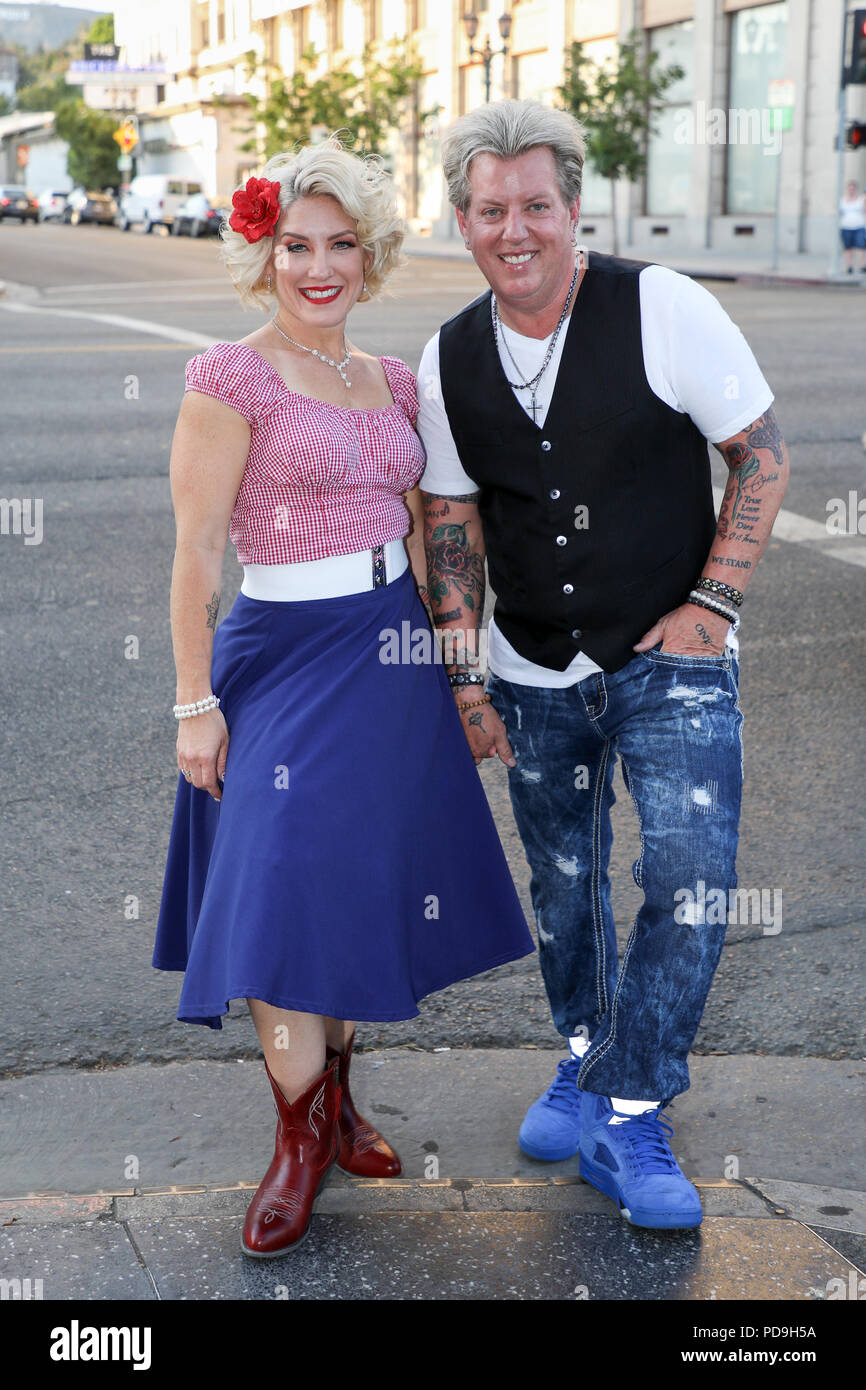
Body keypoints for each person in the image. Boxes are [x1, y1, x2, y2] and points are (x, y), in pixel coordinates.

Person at [152, 137, 534, 1258]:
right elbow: (191, 558)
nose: (318, 268)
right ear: (263, 258)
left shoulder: (395, 381)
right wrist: (192, 703)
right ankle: (295, 1139)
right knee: (275, 885)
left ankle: (340, 1104)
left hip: (390, 649)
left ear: (371, 256)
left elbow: (426, 541)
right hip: (279, 651)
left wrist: (462, 683)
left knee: (359, 885)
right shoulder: (229, 377)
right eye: (295, 247)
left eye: (340, 246)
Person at [416, 100, 790, 1230]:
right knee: (564, 889)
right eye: (490, 210)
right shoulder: (447, 356)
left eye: (536, 204)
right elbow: (447, 516)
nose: (513, 228)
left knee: (686, 879)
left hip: (668, 655)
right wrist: (464, 675)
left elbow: (758, 453)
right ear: (464, 220)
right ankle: (581, 1055)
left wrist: (711, 602)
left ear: (573, 207)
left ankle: (631, 1102)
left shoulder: (662, 304)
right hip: (530, 667)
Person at [838, 180, 866, 274]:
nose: (851, 190)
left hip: (859, 226)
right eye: (850, 188)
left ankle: (862, 266)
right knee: (848, 248)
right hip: (846, 227)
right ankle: (849, 267)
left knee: (862, 247)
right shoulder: (842, 200)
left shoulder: (860, 200)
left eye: (853, 189)